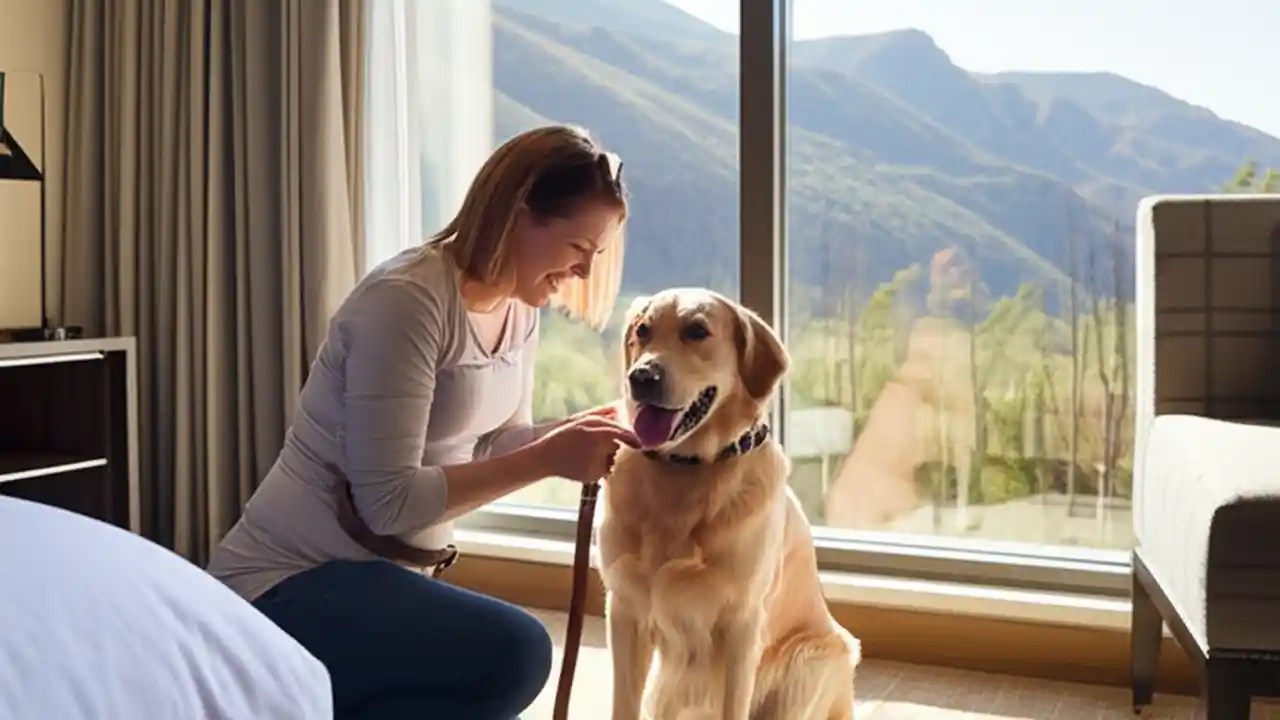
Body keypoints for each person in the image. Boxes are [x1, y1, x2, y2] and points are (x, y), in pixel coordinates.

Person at [206, 125, 640, 720]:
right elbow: (385, 502)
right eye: (578, 248)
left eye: (597, 254)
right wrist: (545, 458)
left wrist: (566, 436)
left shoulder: (518, 305)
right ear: (520, 214)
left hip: (379, 580)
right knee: (516, 650)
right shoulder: (406, 302)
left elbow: (495, 441)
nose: (586, 272)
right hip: (287, 581)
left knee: (474, 681)